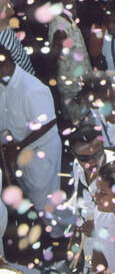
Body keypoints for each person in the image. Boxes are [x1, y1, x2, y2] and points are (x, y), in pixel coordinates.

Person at [0, 44, 60, 215]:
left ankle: (60, 233)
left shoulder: (31, 89)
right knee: (31, 194)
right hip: (19, 152)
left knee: (46, 201)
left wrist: (19, 147)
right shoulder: (4, 82)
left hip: (39, 153)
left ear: (7, 66)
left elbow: (48, 122)